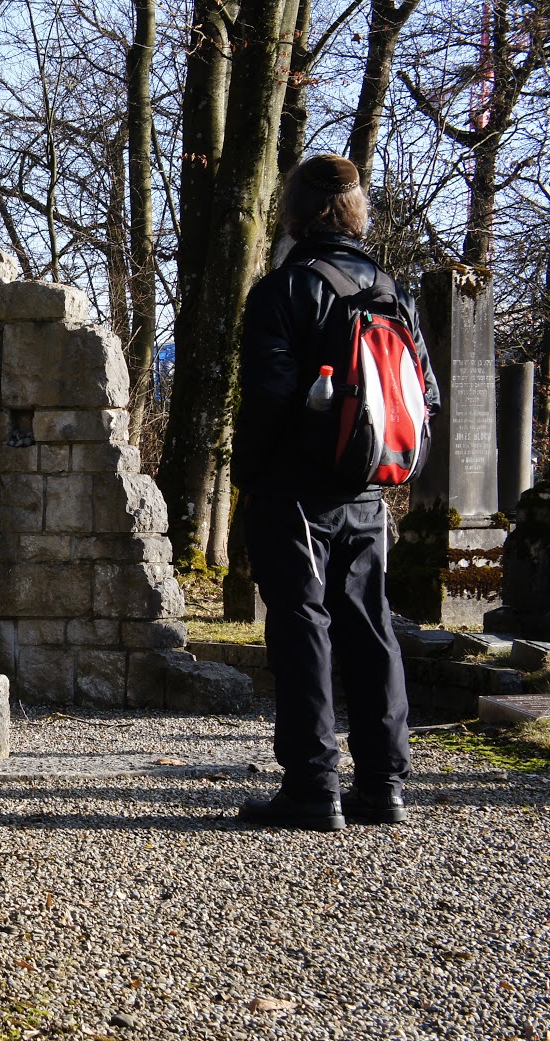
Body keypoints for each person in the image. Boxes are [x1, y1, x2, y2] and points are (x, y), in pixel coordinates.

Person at [230, 154, 440, 831]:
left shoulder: (283, 290)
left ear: (293, 209)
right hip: (369, 488)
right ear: (356, 212)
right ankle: (383, 784)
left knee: (301, 625)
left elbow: (264, 399)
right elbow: (424, 396)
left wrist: (249, 478)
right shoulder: (390, 289)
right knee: (371, 625)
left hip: (296, 489)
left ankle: (313, 787)